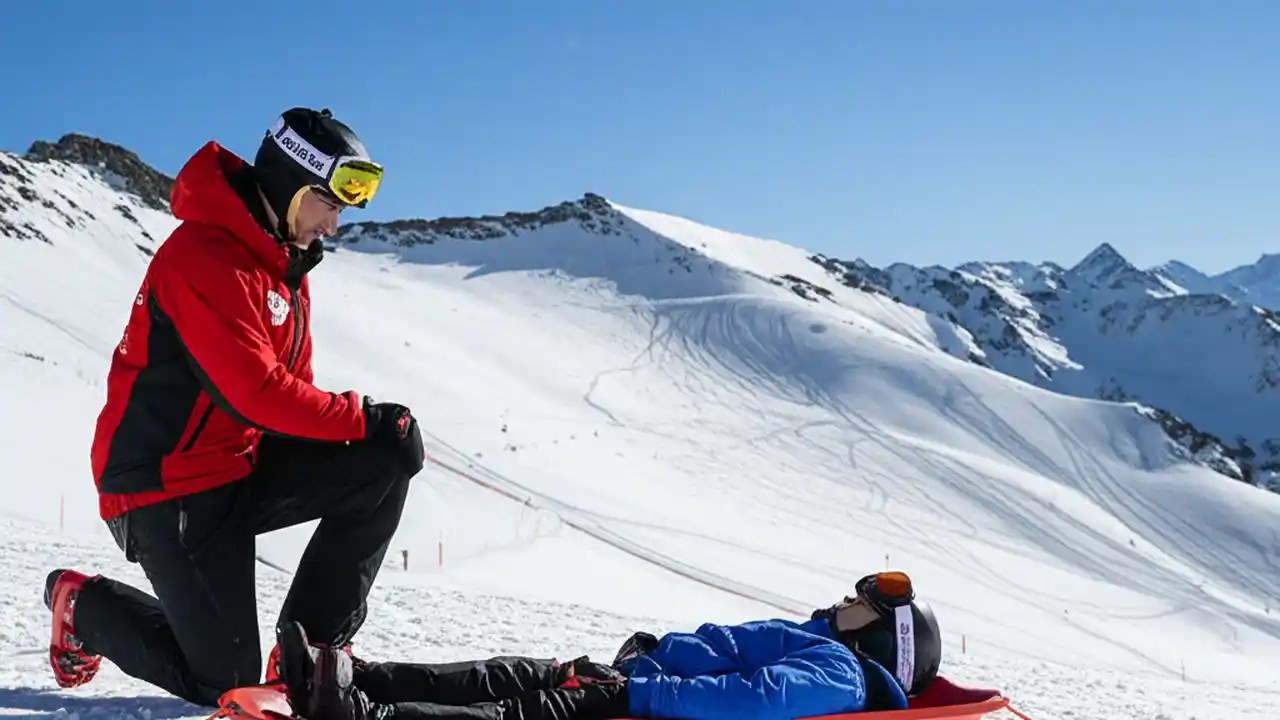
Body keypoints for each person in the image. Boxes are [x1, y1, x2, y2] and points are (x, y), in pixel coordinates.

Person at [43, 107, 426, 707]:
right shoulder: (204, 255)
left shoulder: (284, 265)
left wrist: (378, 437)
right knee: (225, 682)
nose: (336, 221)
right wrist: (363, 415)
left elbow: (294, 393)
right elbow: (259, 392)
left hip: (236, 467)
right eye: (330, 202)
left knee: (382, 465)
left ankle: (309, 653)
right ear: (291, 184)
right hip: (162, 486)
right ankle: (82, 606)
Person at [267, 572, 942, 720]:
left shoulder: (841, 671)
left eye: (864, 605)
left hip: (641, 703)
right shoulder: (823, 642)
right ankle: (354, 676)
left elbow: (754, 697)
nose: (846, 599)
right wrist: (648, 657)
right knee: (512, 673)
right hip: (637, 681)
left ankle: (356, 713)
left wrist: (644, 688)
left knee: (518, 712)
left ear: (884, 638)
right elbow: (727, 656)